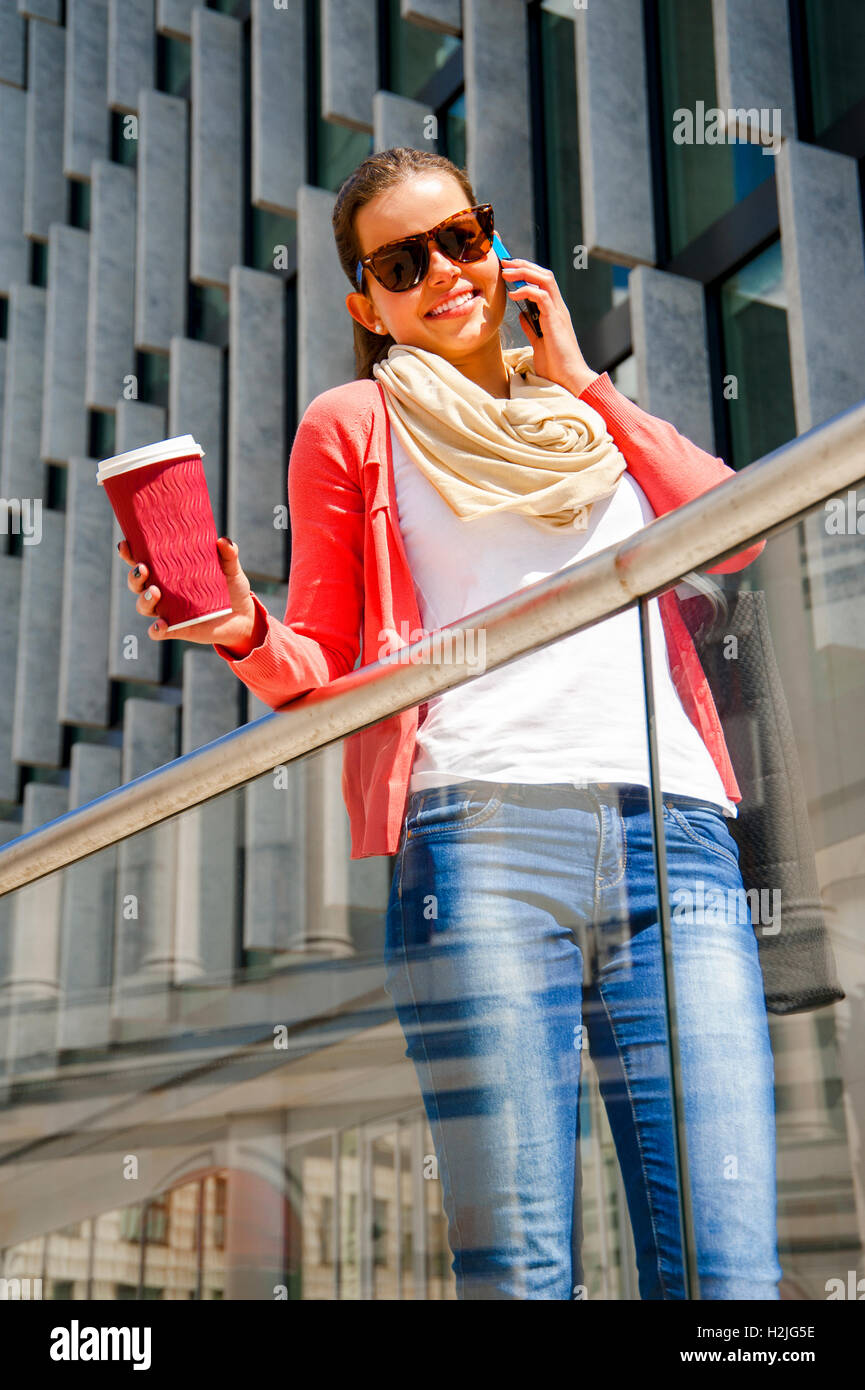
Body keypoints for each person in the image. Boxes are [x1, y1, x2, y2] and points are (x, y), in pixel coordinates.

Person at [120, 147, 782, 1302]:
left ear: (495, 244)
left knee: (729, 1274)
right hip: (479, 843)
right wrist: (237, 625)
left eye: (460, 238)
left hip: (678, 837)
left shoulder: (585, 417)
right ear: (364, 303)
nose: (443, 271)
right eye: (401, 260)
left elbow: (741, 532)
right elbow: (324, 663)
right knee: (521, 1269)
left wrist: (587, 383)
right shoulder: (354, 422)